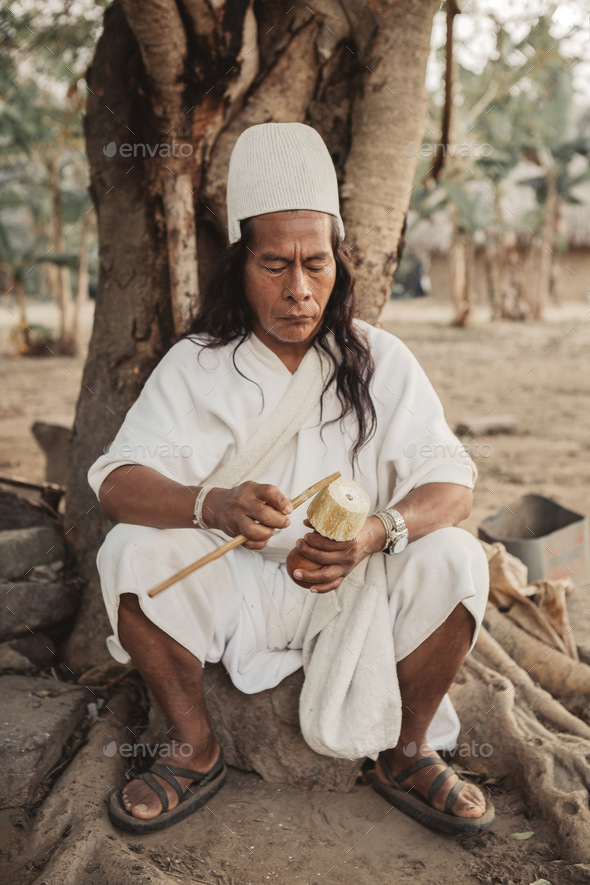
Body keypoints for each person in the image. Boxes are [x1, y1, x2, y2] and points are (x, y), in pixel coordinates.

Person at [88, 122, 493, 836]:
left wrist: (375, 534)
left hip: (356, 584)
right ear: (239, 266)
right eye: (275, 265)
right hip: (235, 585)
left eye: (315, 264)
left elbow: (452, 485)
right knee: (129, 550)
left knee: (457, 556)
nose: (299, 290)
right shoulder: (199, 363)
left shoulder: (380, 359)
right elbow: (117, 482)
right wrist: (210, 504)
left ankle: (407, 750)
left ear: (340, 263)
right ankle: (193, 745)